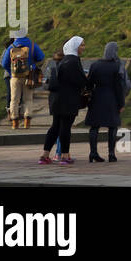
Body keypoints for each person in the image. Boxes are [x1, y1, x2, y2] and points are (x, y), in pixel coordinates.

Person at [39, 36, 86, 166]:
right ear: (75, 47)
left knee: (55, 127)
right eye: (81, 45)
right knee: (65, 127)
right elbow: (80, 81)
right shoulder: (74, 61)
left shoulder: (64, 60)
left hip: (56, 99)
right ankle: (65, 156)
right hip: (68, 99)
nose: (83, 47)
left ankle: (44, 155)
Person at [86, 41, 127, 163]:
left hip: (97, 97)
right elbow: (119, 87)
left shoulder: (95, 65)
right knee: (112, 127)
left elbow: (89, 83)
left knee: (94, 127)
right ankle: (111, 153)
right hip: (111, 99)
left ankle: (93, 153)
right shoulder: (116, 66)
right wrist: (121, 103)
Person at [2, 28, 44, 129]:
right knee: (28, 99)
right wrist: (32, 63)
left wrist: (12, 72)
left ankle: (15, 122)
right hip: (29, 76)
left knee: (14, 100)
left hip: (15, 77)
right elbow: (41, 56)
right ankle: (27, 122)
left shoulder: (12, 46)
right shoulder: (32, 44)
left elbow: (4, 63)